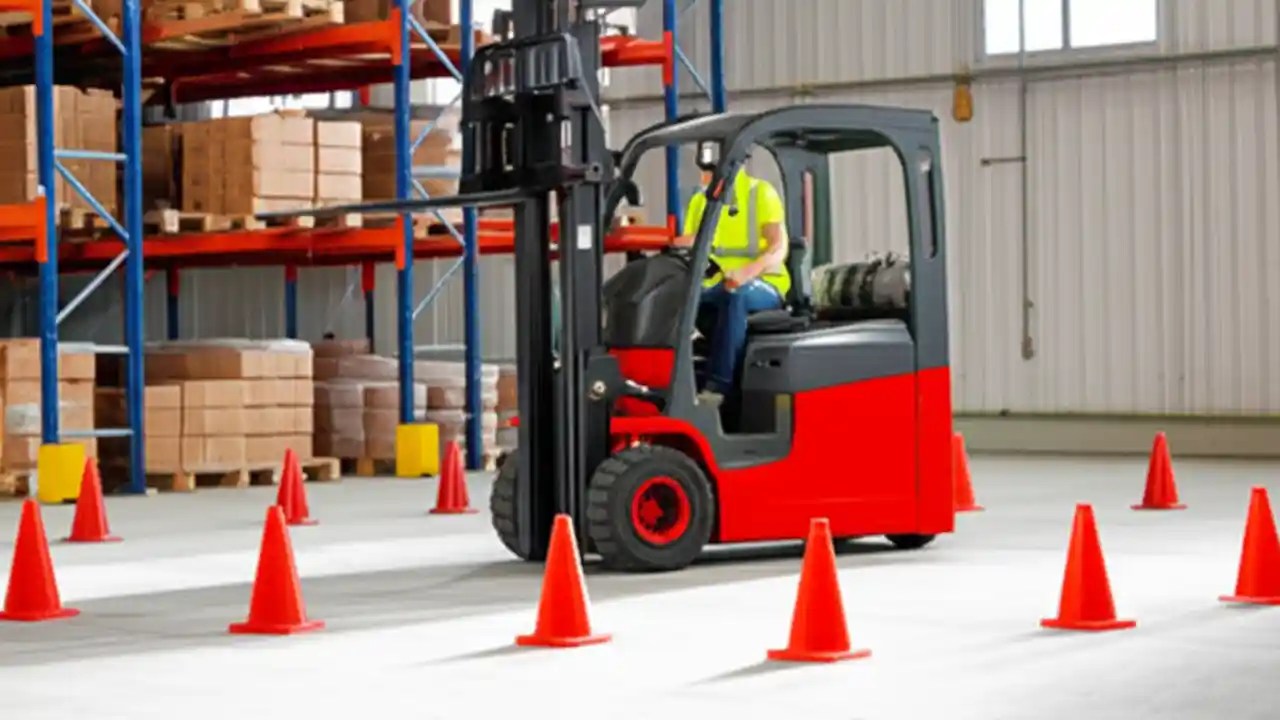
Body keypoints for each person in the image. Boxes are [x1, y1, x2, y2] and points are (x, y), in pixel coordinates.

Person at [675, 156, 790, 401]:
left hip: (766, 285)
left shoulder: (761, 194)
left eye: (709, 171)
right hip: (717, 286)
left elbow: (778, 247)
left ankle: (719, 387)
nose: (704, 177)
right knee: (675, 298)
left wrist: (748, 271)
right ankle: (675, 381)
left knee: (734, 293)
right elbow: (691, 244)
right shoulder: (700, 202)